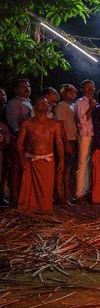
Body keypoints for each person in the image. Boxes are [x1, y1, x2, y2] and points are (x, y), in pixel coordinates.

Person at [16, 96, 64, 213]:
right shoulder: (27, 123)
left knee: (46, 187)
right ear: (34, 107)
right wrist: (21, 159)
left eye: (46, 103)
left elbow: (59, 143)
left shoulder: (55, 124)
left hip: (47, 160)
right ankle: (30, 209)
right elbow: (20, 143)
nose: (44, 104)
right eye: (41, 103)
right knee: (28, 188)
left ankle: (44, 209)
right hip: (30, 160)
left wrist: (61, 160)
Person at [5, 78, 33, 207]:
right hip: (18, 140)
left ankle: (23, 197)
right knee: (16, 168)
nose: (27, 88)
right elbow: (13, 125)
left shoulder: (28, 102)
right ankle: (14, 198)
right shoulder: (14, 103)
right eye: (23, 86)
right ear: (16, 90)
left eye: (28, 86)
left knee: (23, 169)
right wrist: (19, 139)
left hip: (28, 141)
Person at [54, 84, 78, 204]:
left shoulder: (72, 106)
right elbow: (60, 125)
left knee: (69, 168)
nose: (74, 92)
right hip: (66, 140)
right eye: (70, 91)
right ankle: (61, 196)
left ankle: (67, 194)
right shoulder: (61, 106)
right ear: (63, 93)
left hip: (72, 139)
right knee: (63, 168)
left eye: (74, 91)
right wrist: (66, 142)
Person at [73, 79, 96, 202]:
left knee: (89, 164)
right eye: (88, 87)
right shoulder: (80, 102)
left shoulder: (94, 102)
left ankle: (87, 190)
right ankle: (80, 193)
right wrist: (91, 108)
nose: (91, 89)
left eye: (92, 86)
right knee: (82, 163)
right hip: (84, 135)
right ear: (82, 89)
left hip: (92, 135)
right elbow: (82, 121)